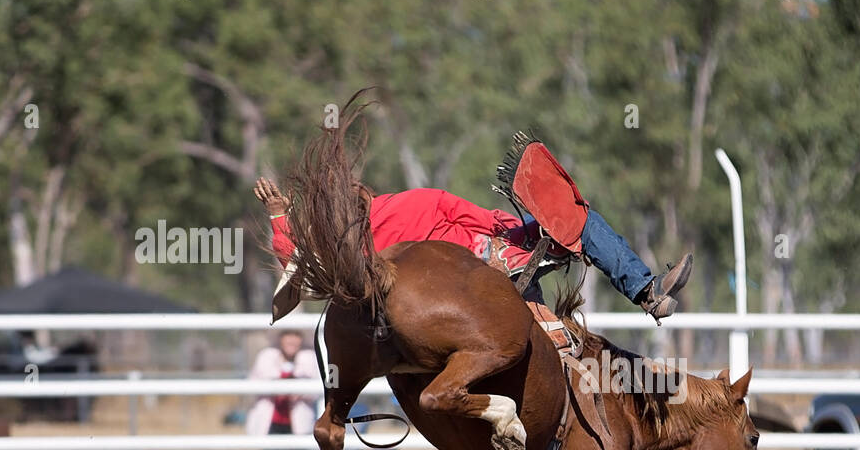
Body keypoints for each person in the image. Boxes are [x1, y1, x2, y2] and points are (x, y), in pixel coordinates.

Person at [253, 135, 691, 322]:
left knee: (579, 220)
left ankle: (647, 292)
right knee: (581, 223)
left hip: (487, 254)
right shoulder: (349, 245)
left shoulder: (395, 210)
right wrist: (277, 216)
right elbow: (297, 267)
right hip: (476, 267)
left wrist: (513, 230)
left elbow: (472, 215)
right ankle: (646, 293)